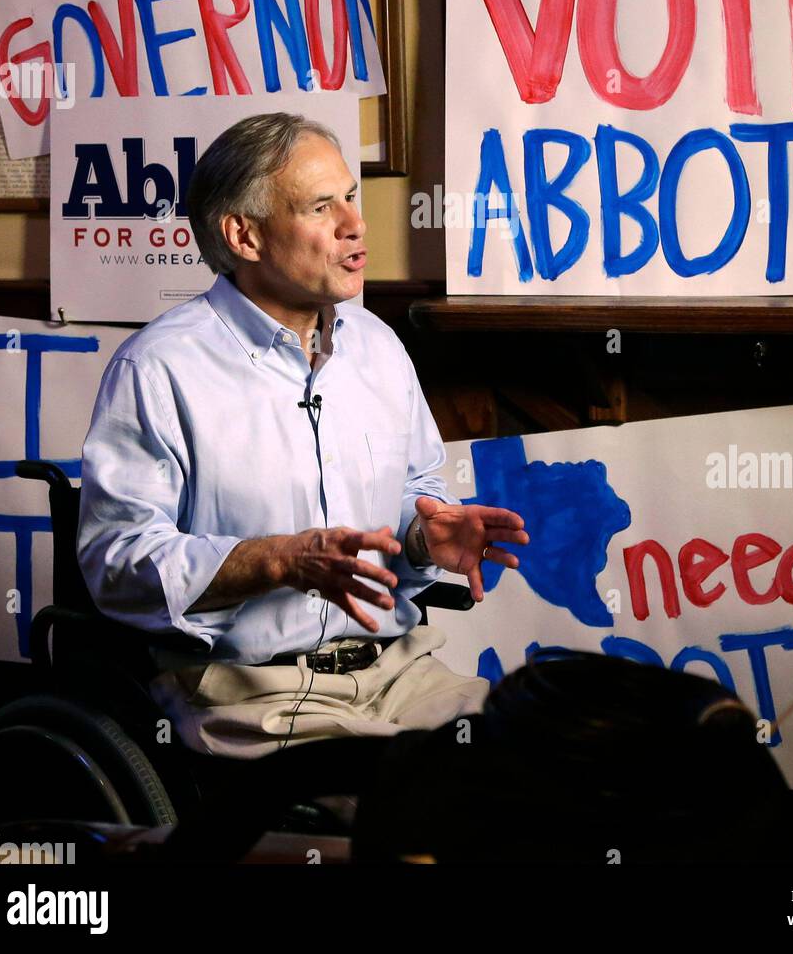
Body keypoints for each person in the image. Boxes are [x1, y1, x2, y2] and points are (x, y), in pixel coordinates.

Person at [78, 113, 529, 758]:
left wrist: (423, 534)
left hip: (398, 673)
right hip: (254, 696)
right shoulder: (158, 368)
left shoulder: (377, 345)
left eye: (352, 196)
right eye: (323, 206)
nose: (356, 224)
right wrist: (277, 560)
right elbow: (117, 565)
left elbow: (414, 489)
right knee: (426, 802)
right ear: (245, 235)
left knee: (543, 761)